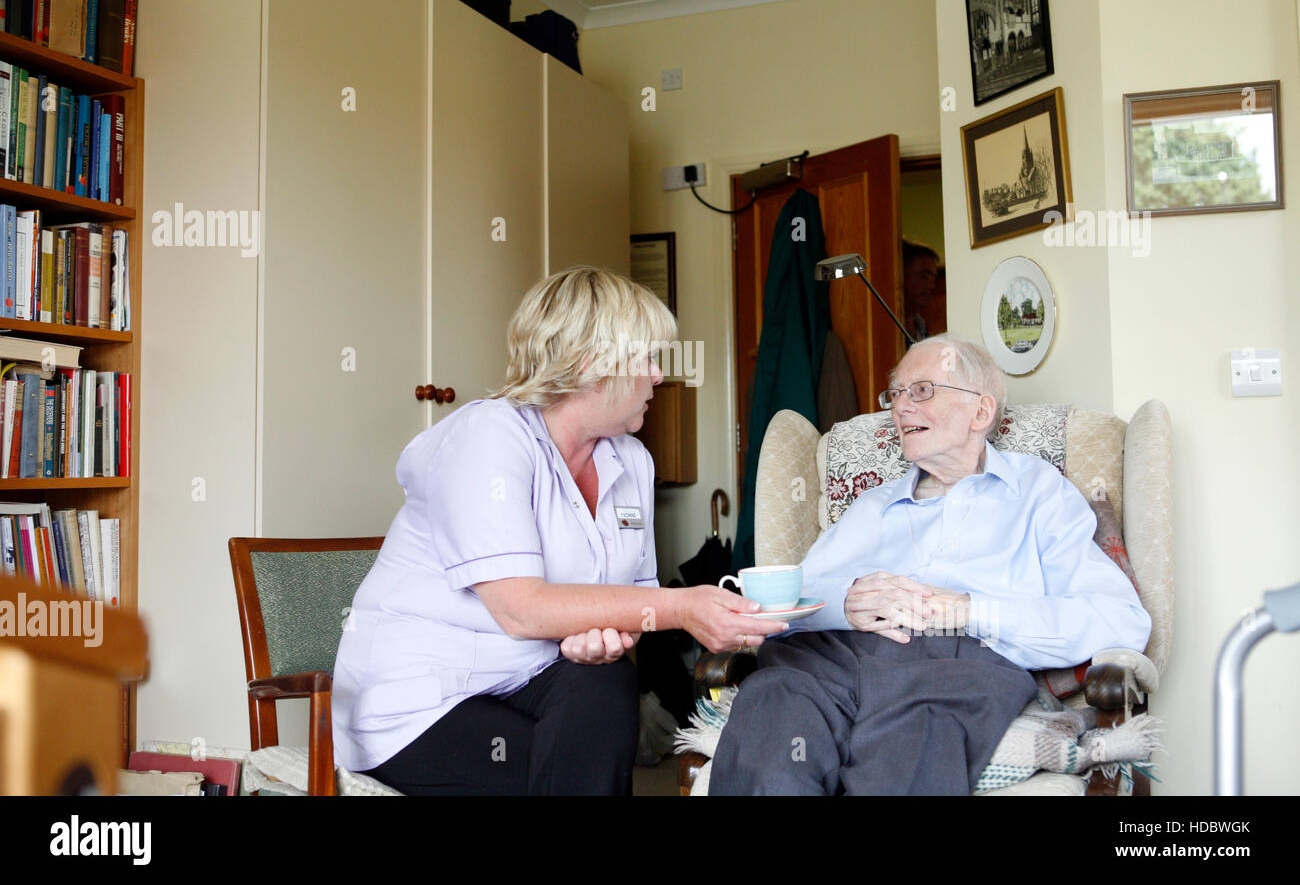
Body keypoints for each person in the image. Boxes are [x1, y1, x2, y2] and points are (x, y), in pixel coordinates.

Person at [332, 266, 786, 795]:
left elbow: (633, 602)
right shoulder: (489, 437)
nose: (659, 376)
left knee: (605, 683)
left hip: (535, 682)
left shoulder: (631, 460)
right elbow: (520, 608)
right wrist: (685, 608)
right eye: (646, 358)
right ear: (592, 363)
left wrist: (606, 641)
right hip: (422, 703)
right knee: (574, 773)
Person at [709, 334, 1151, 795]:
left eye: (921, 391)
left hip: (954, 667)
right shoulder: (872, 505)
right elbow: (785, 603)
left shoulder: (1038, 492)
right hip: (827, 659)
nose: (900, 408)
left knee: (903, 764)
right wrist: (847, 603)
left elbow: (1120, 620)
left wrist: (971, 610)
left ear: (980, 412)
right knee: (774, 720)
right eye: (895, 394)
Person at [902, 239, 940, 343]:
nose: (932, 286)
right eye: (925, 277)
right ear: (901, 274)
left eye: (933, 279)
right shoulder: (883, 327)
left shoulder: (921, 327)